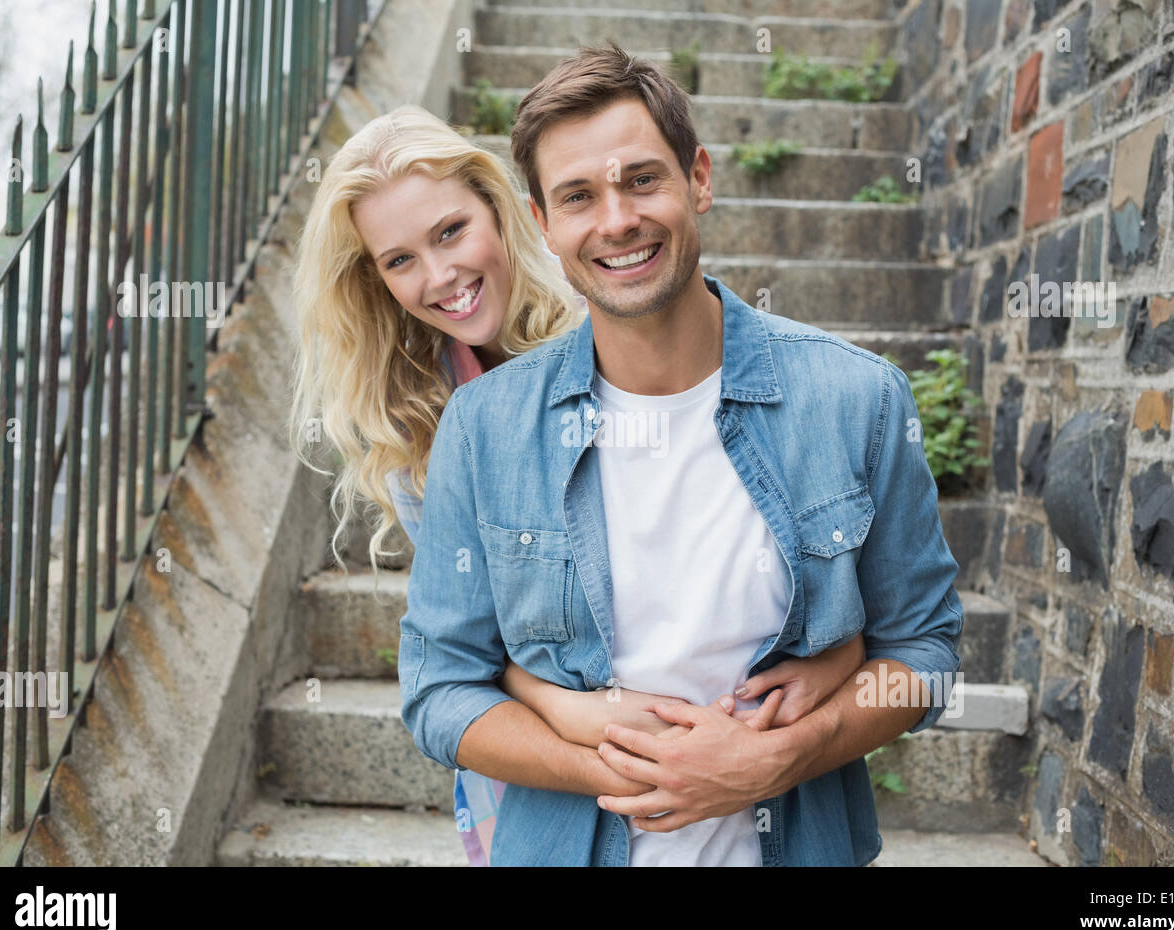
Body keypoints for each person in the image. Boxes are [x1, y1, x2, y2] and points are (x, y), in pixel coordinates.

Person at [398, 43, 964, 866]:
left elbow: (925, 654)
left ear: (698, 178)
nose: (617, 220)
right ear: (542, 225)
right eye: (579, 196)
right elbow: (441, 691)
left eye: (641, 179)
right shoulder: (485, 429)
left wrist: (777, 761)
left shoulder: (857, 401)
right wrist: (618, 766)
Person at [289, 104, 868, 866]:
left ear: (508, 213)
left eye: (451, 232)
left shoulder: (619, 321)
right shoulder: (420, 422)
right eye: (399, 260)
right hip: (541, 770)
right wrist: (571, 709)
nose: (441, 277)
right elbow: (466, 656)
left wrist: (834, 661)